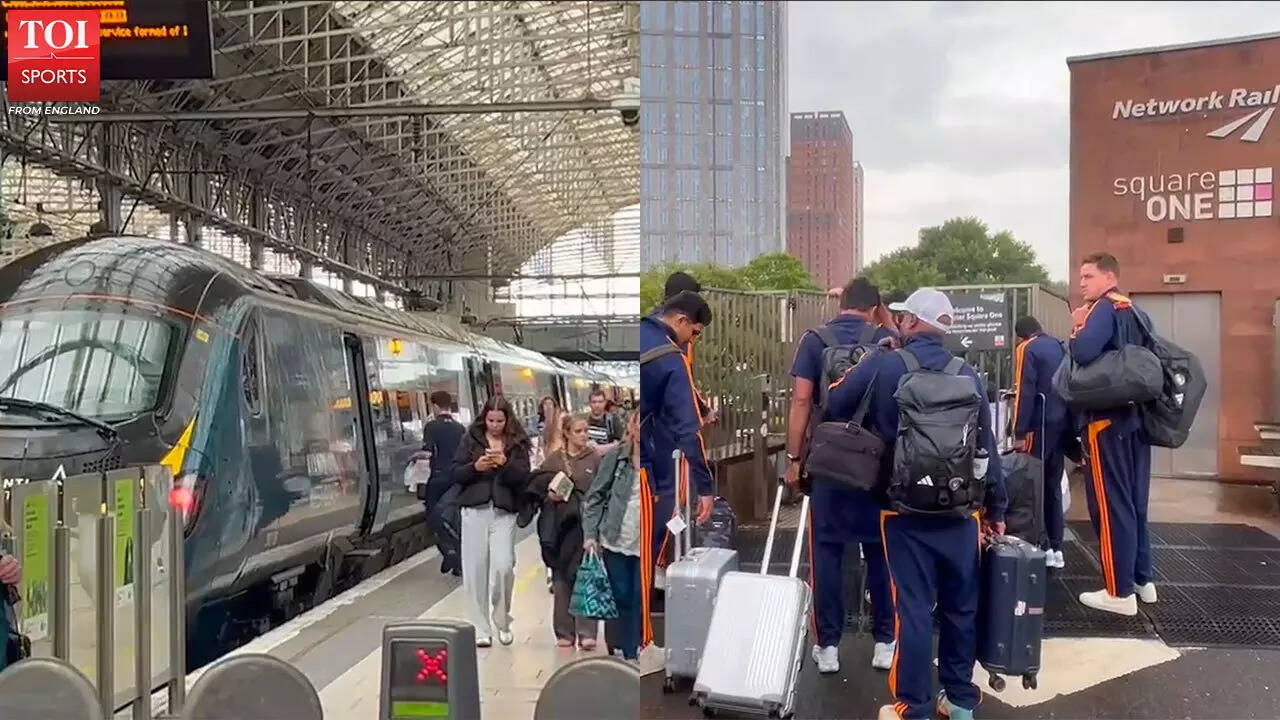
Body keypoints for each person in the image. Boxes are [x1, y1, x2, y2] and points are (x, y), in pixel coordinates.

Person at [826, 288, 1007, 720]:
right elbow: (988, 447)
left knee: (913, 607)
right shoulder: (968, 374)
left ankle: (913, 705)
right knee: (961, 605)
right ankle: (960, 700)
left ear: (909, 322)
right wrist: (996, 510)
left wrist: (872, 355)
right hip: (962, 512)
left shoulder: (887, 365)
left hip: (901, 509)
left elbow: (836, 401)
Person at [783, 277, 898, 674]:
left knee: (827, 553)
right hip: (877, 463)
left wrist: (794, 458)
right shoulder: (886, 338)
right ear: (874, 307)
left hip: (829, 461)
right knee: (882, 552)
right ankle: (885, 641)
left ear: (840, 304)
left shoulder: (814, 339)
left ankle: (828, 646)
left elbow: (801, 399)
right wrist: (882, 312)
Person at [1070, 252, 1157, 616]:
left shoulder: (1103, 309)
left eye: (1088, 276)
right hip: (1135, 421)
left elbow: (1084, 351)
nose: (1082, 283)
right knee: (1134, 505)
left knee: (1110, 506)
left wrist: (1077, 326)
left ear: (1109, 278)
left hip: (1106, 422)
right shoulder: (1138, 313)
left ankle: (1118, 592)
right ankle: (1141, 580)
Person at [638, 290, 716, 647]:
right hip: (644, 472)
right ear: (682, 321)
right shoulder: (670, 357)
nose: (692, 341)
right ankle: (641, 643)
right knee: (643, 555)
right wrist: (706, 486)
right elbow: (689, 429)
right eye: (695, 333)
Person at [453, 395, 532, 647]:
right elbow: (455, 473)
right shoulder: (470, 439)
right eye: (491, 420)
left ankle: (502, 619)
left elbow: (523, 476)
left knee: (503, 566)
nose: (495, 425)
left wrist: (504, 464)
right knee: (475, 570)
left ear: (507, 420)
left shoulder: (517, 443)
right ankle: (480, 627)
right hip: (474, 511)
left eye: (500, 420)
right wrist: (476, 467)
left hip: (503, 512)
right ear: (484, 418)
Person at [583, 411, 644, 662]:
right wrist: (590, 535)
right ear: (631, 426)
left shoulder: (662, 458)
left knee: (639, 596)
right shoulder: (616, 458)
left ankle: (634, 649)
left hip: (646, 542)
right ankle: (625, 648)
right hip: (615, 538)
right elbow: (595, 496)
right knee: (621, 595)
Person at [537, 413, 602, 649]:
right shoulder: (553, 461)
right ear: (566, 433)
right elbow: (537, 489)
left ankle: (587, 631)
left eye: (586, 430)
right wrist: (549, 496)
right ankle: (564, 631)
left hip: (587, 524)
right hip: (562, 526)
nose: (584, 435)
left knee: (586, 575)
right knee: (562, 577)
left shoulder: (594, 458)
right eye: (579, 431)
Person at [1012, 316, 1071, 568]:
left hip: (1039, 425)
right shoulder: (1059, 346)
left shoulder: (1027, 349)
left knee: (1032, 488)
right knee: (1053, 486)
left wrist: (1019, 432)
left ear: (1021, 336)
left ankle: (1038, 545)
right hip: (1061, 423)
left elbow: (1024, 392)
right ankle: (1056, 548)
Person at [422, 391, 467, 576]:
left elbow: (428, 452)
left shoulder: (431, 427)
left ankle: (449, 552)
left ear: (434, 406)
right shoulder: (460, 428)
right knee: (454, 519)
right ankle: (457, 558)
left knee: (434, 518)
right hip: (456, 479)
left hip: (438, 478)